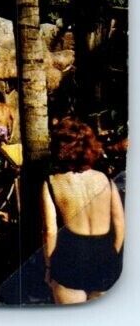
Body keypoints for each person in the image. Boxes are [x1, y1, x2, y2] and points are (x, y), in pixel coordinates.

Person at [41, 117, 124, 304]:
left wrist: (48, 268)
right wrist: (114, 254)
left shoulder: (52, 182)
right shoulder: (105, 180)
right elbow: (119, 223)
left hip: (71, 257)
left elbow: (49, 230)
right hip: (105, 255)